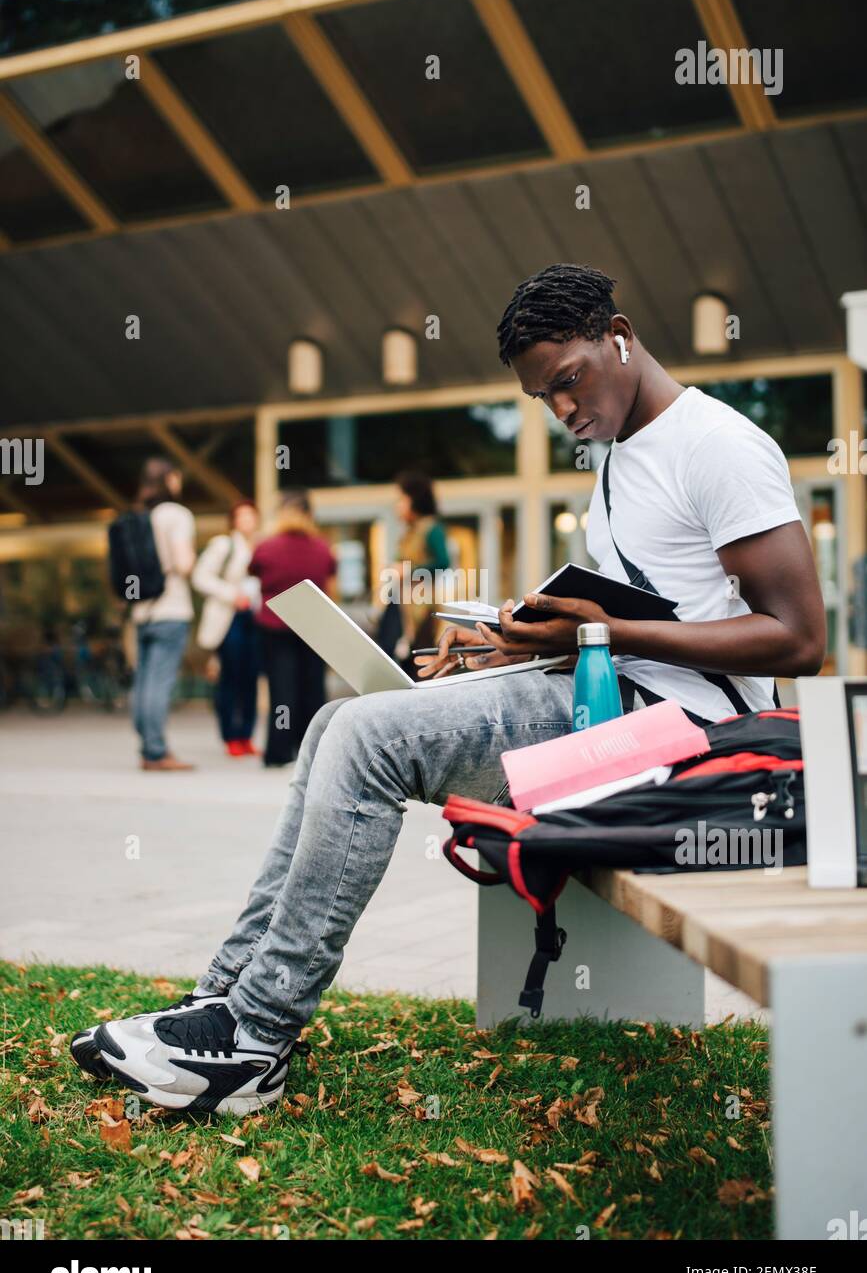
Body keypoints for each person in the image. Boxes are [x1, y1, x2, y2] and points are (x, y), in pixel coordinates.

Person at [72, 264, 826, 1113]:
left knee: (369, 739)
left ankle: (254, 1039)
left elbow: (798, 638)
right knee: (334, 721)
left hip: (685, 738)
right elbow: (625, 609)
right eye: (543, 398)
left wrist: (597, 633)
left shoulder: (717, 445)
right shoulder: (620, 455)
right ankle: (224, 994)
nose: (563, 411)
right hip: (615, 705)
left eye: (567, 382)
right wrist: (507, 644)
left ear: (618, 334)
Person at [250, 490, 337, 768]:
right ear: (309, 515)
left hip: (274, 625)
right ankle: (311, 751)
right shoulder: (322, 548)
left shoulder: (267, 547)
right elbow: (331, 588)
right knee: (312, 688)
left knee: (281, 689)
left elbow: (254, 575)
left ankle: (278, 751)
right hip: (313, 624)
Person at [130, 457, 196, 772]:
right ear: (170, 479)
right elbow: (183, 564)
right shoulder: (176, 515)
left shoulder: (139, 516)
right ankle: (156, 751)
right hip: (170, 606)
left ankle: (147, 746)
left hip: (142, 609)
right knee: (160, 681)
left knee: (144, 679)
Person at [192, 499, 261, 757]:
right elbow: (200, 577)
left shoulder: (259, 545)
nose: (246, 521)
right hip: (229, 618)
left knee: (250, 678)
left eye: (250, 516)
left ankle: (246, 734)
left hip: (253, 619)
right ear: (233, 520)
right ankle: (230, 735)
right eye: (241, 516)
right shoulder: (224, 545)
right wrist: (232, 594)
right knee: (230, 677)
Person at [375, 471, 452, 671]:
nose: (397, 505)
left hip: (419, 607)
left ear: (414, 499)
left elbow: (443, 562)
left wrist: (408, 570)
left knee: (416, 661)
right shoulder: (410, 530)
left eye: (401, 498)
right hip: (401, 601)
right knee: (389, 653)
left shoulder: (431, 529)